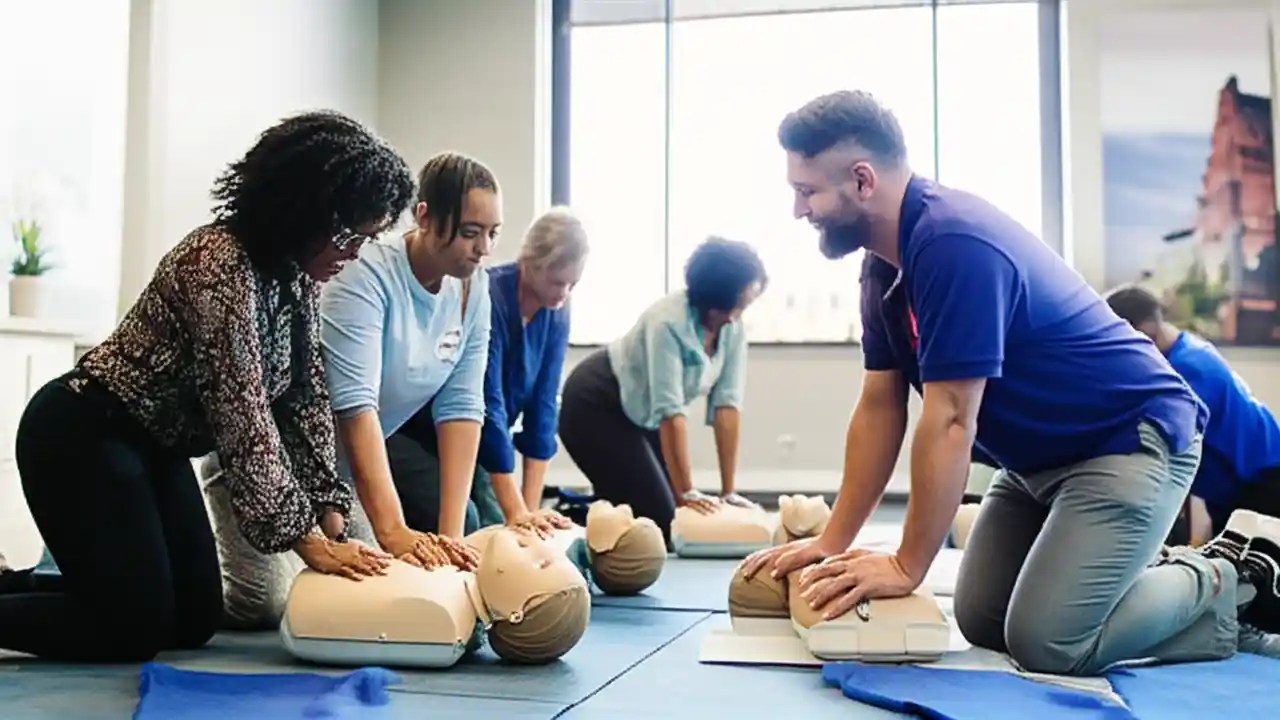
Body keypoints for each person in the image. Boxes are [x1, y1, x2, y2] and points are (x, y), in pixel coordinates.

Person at [740, 89, 1280, 674]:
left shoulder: (953, 243)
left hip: (1128, 441)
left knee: (1048, 643)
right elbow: (879, 407)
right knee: (983, 619)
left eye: (806, 192)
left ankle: (1235, 574)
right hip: (1036, 463)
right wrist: (833, 541)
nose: (799, 211)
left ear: (863, 180)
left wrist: (905, 565)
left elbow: (949, 419)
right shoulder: (883, 269)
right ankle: (1153, 595)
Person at [0, 111, 413, 661]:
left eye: (365, 238)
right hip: (84, 434)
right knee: (136, 631)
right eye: (344, 234)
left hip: (156, 448)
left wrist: (329, 514)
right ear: (300, 209)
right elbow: (243, 416)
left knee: (192, 619)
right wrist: (306, 540)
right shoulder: (216, 263)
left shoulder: (292, 275)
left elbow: (303, 399)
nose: (352, 253)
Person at [321, 151, 498, 567]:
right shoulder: (366, 273)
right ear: (424, 216)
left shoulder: (474, 290)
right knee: (271, 601)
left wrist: (452, 537)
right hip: (283, 462)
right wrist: (393, 531)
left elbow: (461, 408)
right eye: (471, 232)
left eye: (493, 233)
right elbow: (354, 403)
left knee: (382, 579)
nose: (483, 249)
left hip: (344, 477)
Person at [558, 236, 767, 542]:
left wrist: (728, 492)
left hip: (642, 413)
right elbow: (671, 414)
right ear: (719, 295)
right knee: (663, 520)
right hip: (595, 402)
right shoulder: (667, 322)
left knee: (670, 512)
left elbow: (727, 408)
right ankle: (568, 522)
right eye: (744, 293)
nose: (748, 300)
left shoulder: (732, 328)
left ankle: (611, 507)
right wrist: (685, 493)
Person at [1105, 284, 1280, 544]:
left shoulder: (1186, 370)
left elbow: (1154, 436)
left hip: (1260, 481)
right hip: (1240, 484)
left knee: (1256, 571)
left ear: (1146, 331)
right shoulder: (1186, 349)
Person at [473, 207, 589, 535]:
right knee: (489, 527)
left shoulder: (558, 311)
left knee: (527, 528)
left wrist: (531, 510)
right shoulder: (489, 295)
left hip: (496, 444)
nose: (563, 293)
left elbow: (543, 408)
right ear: (530, 263)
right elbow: (488, 404)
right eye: (556, 282)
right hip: (462, 438)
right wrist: (515, 514)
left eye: (572, 284)